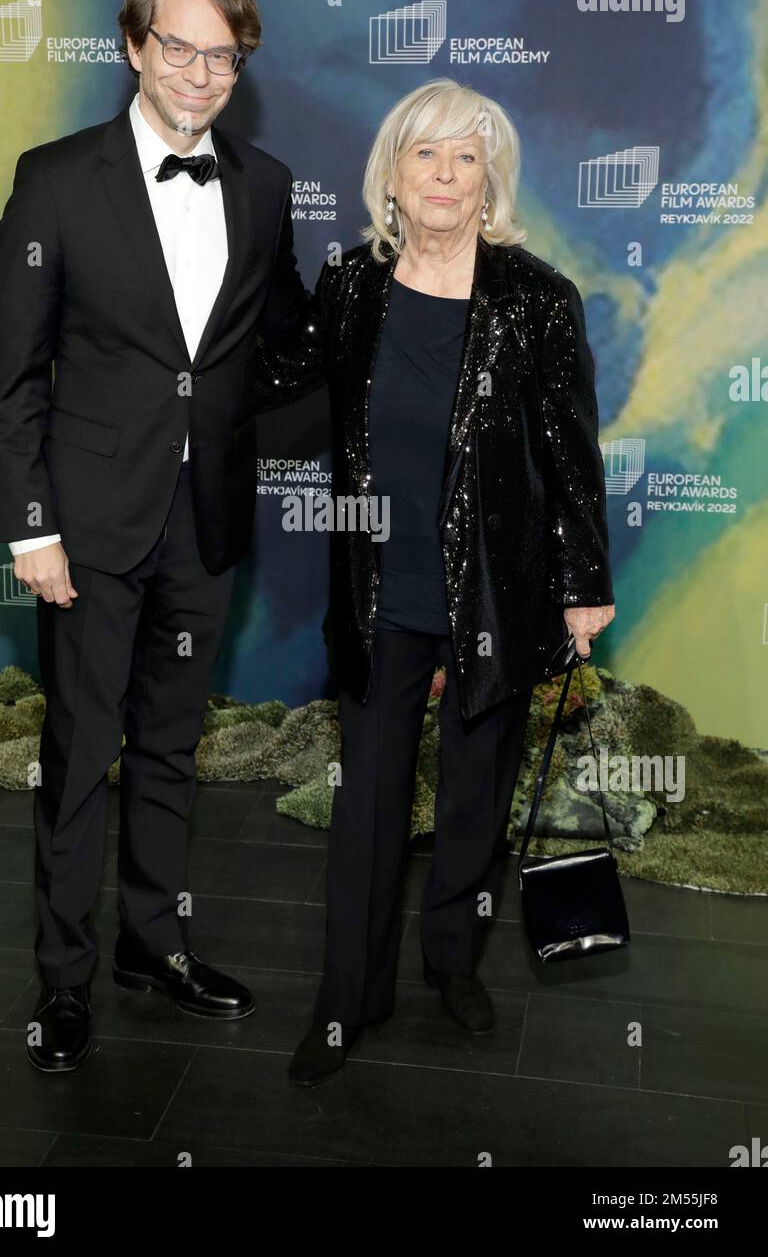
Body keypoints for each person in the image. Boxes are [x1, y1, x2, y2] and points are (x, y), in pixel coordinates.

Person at [0, 0, 312, 1072]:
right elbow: (17, 374)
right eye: (179, 46)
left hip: (204, 516)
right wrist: (32, 526)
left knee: (172, 746)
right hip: (84, 523)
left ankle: (153, 944)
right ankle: (64, 980)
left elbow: (285, 345)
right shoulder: (57, 179)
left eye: (223, 55)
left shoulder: (263, 187)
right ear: (133, 47)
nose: (201, 73)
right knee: (80, 754)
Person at [257, 78, 615, 1086]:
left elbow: (571, 454)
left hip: (498, 592)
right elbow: (279, 374)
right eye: (427, 155)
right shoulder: (352, 287)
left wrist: (585, 581)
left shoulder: (539, 299)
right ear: (395, 175)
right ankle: (347, 998)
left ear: (488, 177)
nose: (447, 175)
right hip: (380, 588)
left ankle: (453, 962)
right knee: (365, 805)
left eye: (467, 157)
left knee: (471, 803)